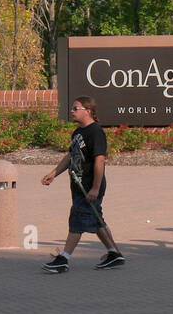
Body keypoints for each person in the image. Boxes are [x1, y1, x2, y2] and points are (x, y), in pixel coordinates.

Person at [40, 96, 125, 272]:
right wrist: (54, 173)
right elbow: (71, 156)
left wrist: (95, 188)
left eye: (75, 108)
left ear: (88, 111)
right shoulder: (78, 132)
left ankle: (63, 259)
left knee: (77, 220)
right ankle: (114, 254)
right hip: (78, 186)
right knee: (96, 219)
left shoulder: (96, 132)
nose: (72, 111)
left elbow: (100, 161)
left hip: (90, 186)